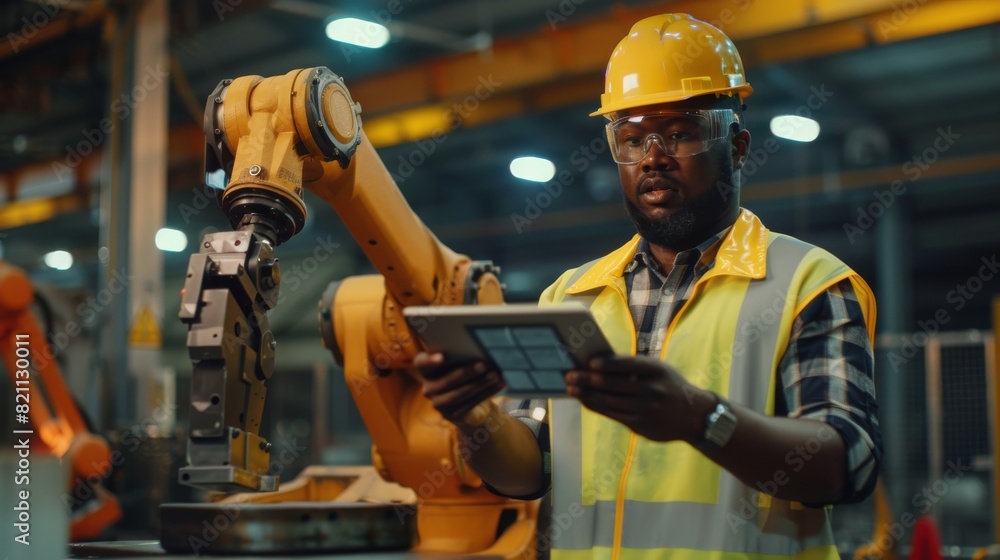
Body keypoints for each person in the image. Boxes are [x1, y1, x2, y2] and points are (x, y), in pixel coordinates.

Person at [415, 13, 882, 560]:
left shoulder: (808, 284)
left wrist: (702, 420)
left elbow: (848, 464)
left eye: (680, 134)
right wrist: (475, 418)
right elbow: (526, 471)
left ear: (736, 146)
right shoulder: (569, 297)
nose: (653, 158)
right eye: (631, 139)